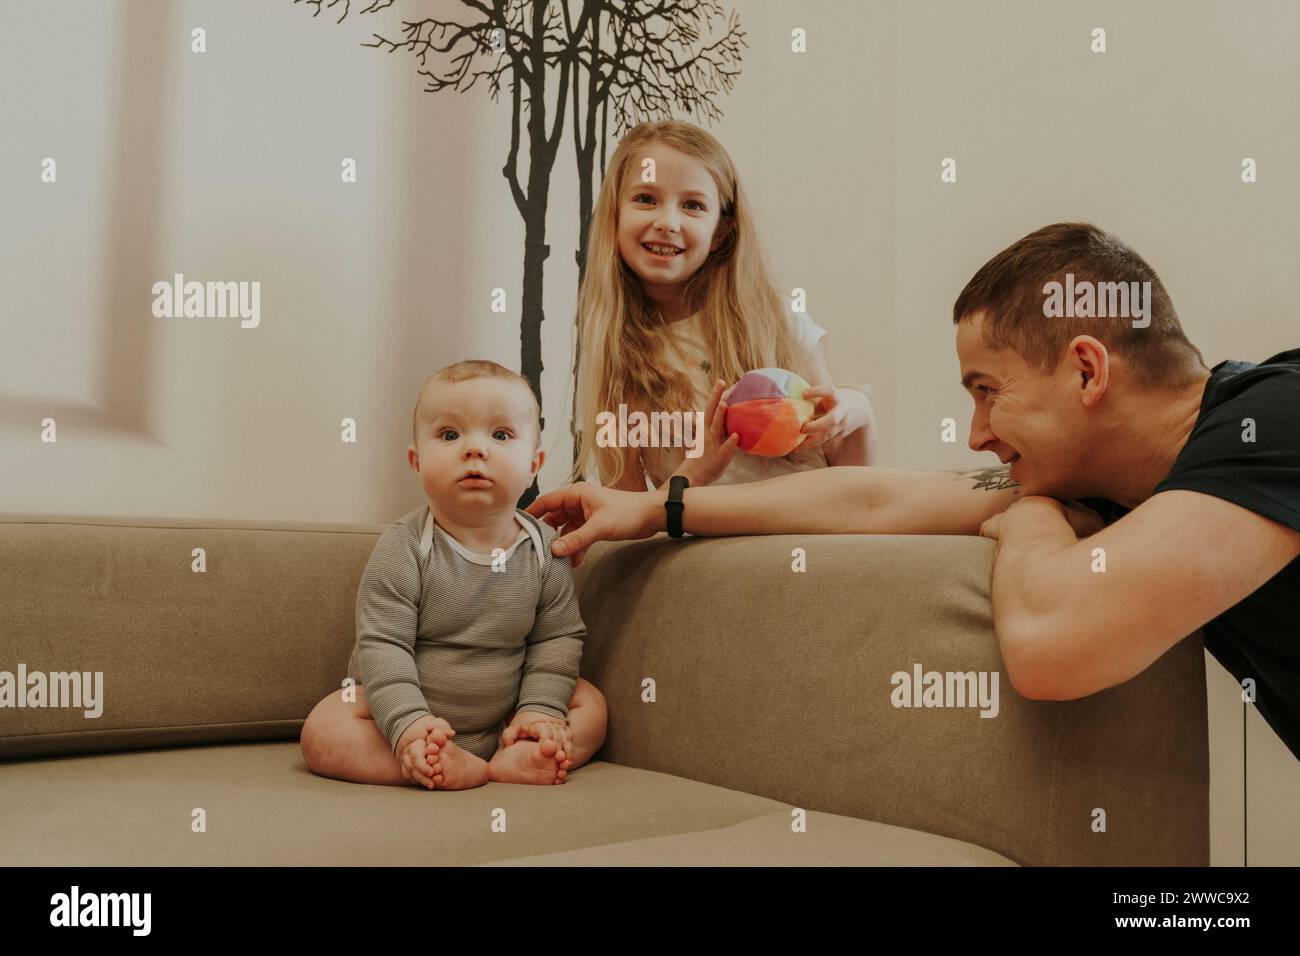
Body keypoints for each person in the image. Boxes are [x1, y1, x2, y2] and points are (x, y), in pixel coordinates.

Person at [530, 223, 1300, 761]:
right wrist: (657, 509)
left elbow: (1050, 646)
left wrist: (1028, 516)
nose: (976, 435)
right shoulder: (1124, 479)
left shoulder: (1276, 423)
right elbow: (876, 500)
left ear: (1088, 371)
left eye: (988, 391)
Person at [301, 360, 608, 789]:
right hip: (407, 713)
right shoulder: (404, 546)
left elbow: (556, 640)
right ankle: (425, 760)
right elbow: (383, 646)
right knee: (325, 726)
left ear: (534, 463)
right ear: (417, 461)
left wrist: (539, 710)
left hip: (507, 713)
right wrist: (409, 724)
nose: (475, 449)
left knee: (590, 704)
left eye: (500, 435)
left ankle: (523, 749)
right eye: (450, 435)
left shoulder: (545, 550)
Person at [572, 119, 879, 491]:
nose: (667, 222)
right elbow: (628, 512)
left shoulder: (777, 321)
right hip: (699, 545)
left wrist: (858, 411)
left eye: (693, 205)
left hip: (805, 537)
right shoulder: (615, 353)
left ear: (721, 232)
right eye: (646, 199)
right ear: (614, 215)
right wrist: (694, 476)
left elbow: (849, 491)